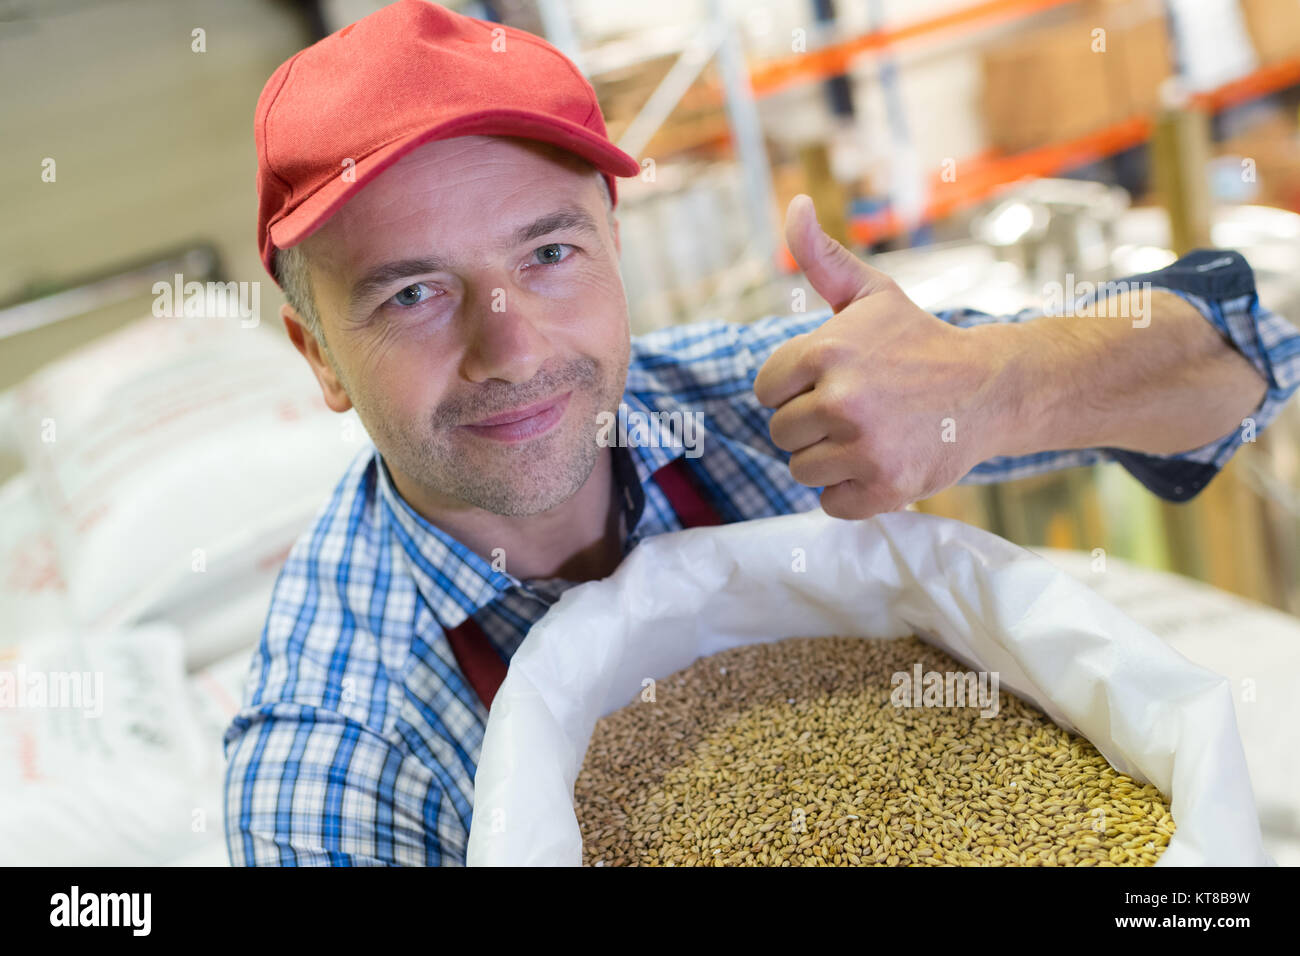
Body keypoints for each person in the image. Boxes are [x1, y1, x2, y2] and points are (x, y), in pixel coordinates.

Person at [224, 0, 1299, 865]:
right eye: (411, 293)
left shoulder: (754, 395)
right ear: (318, 355)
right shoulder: (336, 767)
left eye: (548, 254)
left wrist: (994, 385)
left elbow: (1243, 358)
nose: (507, 349)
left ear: (612, 244)